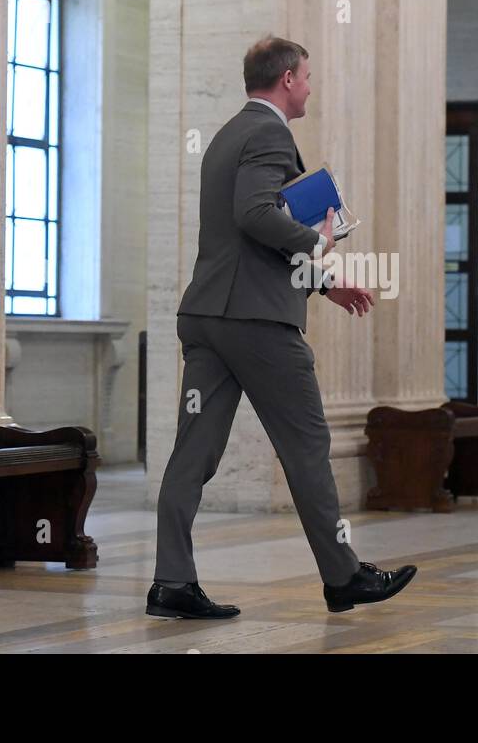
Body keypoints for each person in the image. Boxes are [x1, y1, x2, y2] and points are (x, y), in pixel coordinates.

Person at [147, 36, 417, 618]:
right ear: (288, 79)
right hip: (258, 323)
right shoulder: (271, 134)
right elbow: (256, 216)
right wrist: (318, 240)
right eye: (309, 77)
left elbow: (245, 239)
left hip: (208, 317)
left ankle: (171, 582)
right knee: (308, 447)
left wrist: (324, 281)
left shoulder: (224, 137)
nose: (312, 88)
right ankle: (344, 577)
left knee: (193, 454)